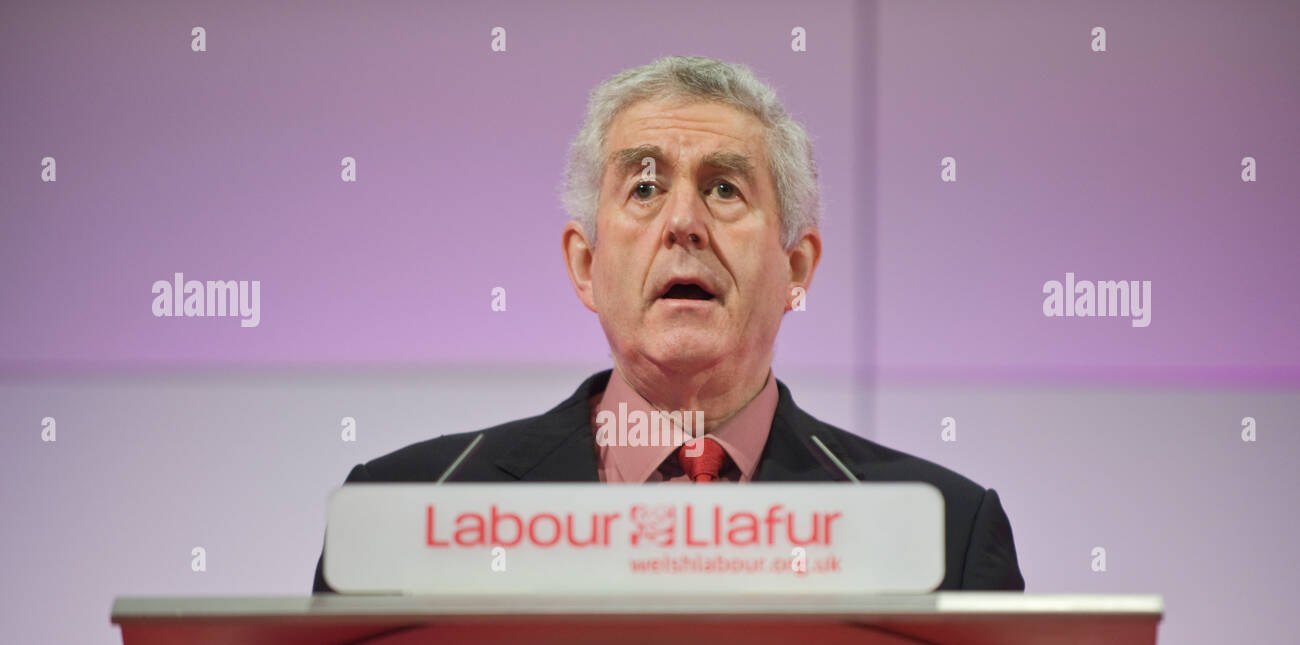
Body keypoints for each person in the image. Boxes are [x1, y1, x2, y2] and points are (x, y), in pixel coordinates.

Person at [312, 56, 1024, 593]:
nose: (684, 223)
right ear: (586, 264)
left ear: (797, 268)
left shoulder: (943, 537)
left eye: (723, 187)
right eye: (645, 187)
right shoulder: (403, 513)